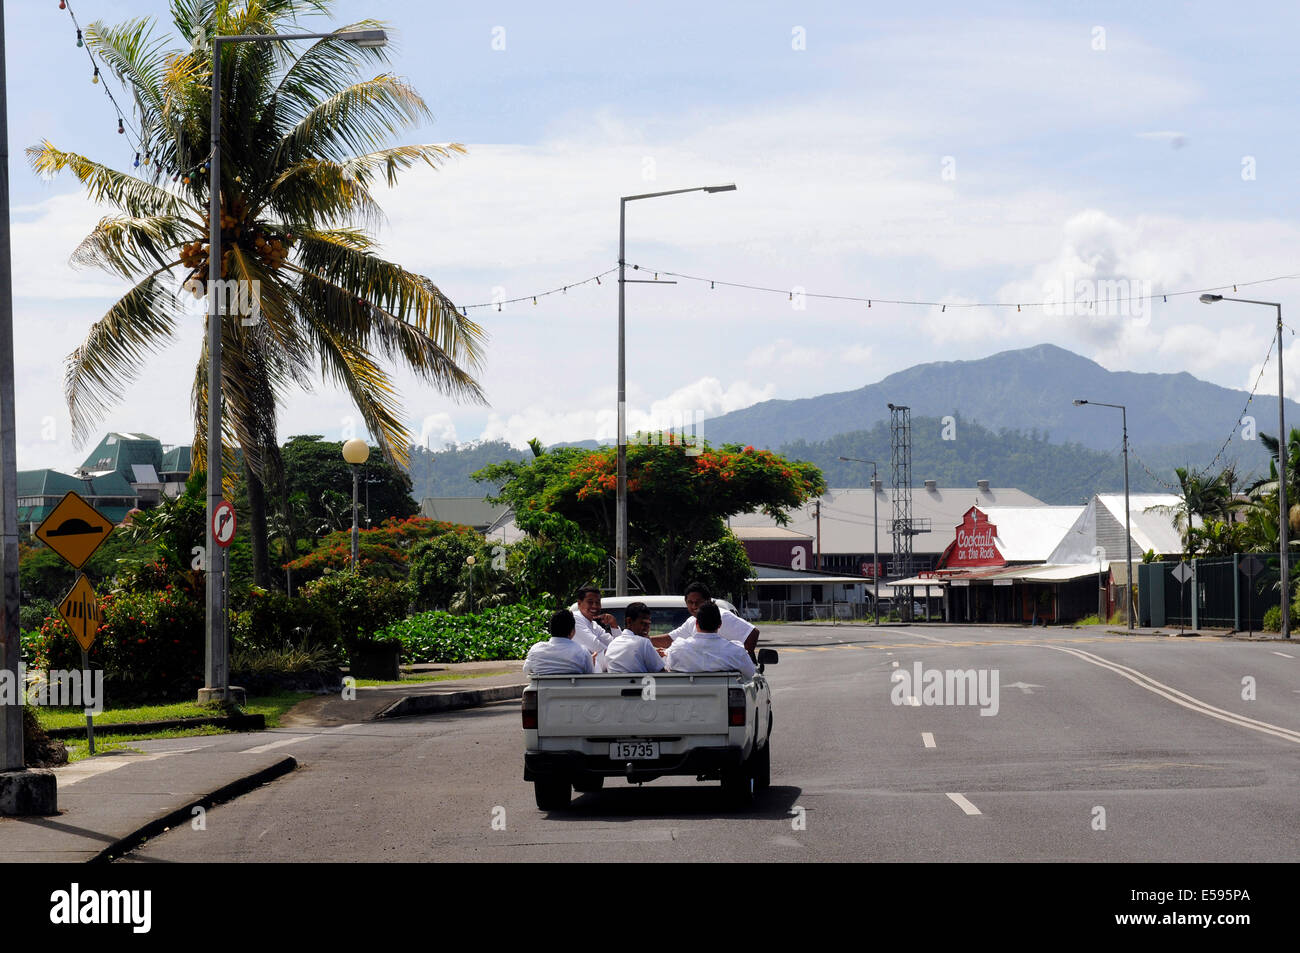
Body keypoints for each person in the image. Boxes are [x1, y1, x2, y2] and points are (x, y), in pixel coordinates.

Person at [656, 582, 760, 659]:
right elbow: (670, 639)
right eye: (690, 602)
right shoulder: (691, 621)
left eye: (698, 602)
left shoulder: (722, 616)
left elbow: (752, 633)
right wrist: (644, 639)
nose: (694, 606)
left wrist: (742, 659)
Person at [664, 603, 756, 679]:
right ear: (720, 624)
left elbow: (664, 667)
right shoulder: (737, 652)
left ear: (696, 623)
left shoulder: (677, 649)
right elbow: (751, 674)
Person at [522, 609, 596, 676]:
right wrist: (590, 660)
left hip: (542, 690)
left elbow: (526, 670)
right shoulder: (583, 652)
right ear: (572, 631)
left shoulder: (536, 649)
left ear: (551, 629)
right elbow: (589, 677)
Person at [604, 601, 666, 674]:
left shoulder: (612, 644)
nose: (646, 628)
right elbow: (662, 674)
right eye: (643, 623)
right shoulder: (644, 643)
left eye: (648, 624)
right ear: (629, 621)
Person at [571, 586, 617, 668]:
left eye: (597, 602)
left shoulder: (594, 625)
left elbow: (616, 644)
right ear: (579, 604)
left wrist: (614, 625)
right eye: (590, 602)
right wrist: (619, 653)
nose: (595, 606)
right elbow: (595, 645)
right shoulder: (575, 619)